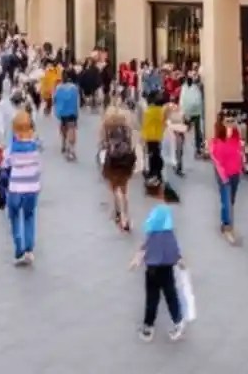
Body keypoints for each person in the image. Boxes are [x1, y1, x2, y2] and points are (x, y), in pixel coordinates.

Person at [130, 177, 185, 342]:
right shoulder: (166, 222)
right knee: (170, 293)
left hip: (154, 265)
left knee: (153, 296)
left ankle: (149, 326)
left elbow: (147, 242)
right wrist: (179, 257)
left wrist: (137, 258)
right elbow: (172, 242)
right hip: (165, 264)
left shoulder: (155, 224)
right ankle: (177, 320)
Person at [5, 110, 42, 265]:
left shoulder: (12, 148)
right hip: (32, 187)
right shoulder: (36, 145)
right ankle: (29, 249)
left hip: (15, 188)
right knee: (29, 216)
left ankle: (19, 247)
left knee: (14, 217)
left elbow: (6, 163)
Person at [100, 107, 137, 233]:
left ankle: (121, 216)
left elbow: (103, 143)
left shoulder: (107, 126)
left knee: (115, 188)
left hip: (113, 159)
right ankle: (125, 215)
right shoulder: (126, 127)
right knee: (124, 189)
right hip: (126, 160)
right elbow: (132, 143)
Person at [211, 115, 244, 245]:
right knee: (227, 201)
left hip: (235, 173)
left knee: (231, 200)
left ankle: (226, 222)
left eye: (233, 121)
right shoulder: (217, 142)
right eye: (228, 121)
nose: (231, 124)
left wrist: (240, 167)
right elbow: (217, 162)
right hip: (224, 175)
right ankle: (227, 227)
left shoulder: (236, 139)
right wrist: (223, 177)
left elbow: (239, 154)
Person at [53, 72, 81, 162]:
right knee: (72, 129)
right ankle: (71, 149)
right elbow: (78, 101)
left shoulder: (58, 88)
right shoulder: (74, 88)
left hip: (62, 113)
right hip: (72, 112)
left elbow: (54, 99)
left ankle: (64, 143)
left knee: (63, 127)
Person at [140, 92, 166, 181]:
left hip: (149, 137)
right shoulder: (161, 111)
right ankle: (158, 173)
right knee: (156, 153)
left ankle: (152, 172)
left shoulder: (148, 111)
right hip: (158, 136)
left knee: (151, 155)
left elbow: (144, 124)